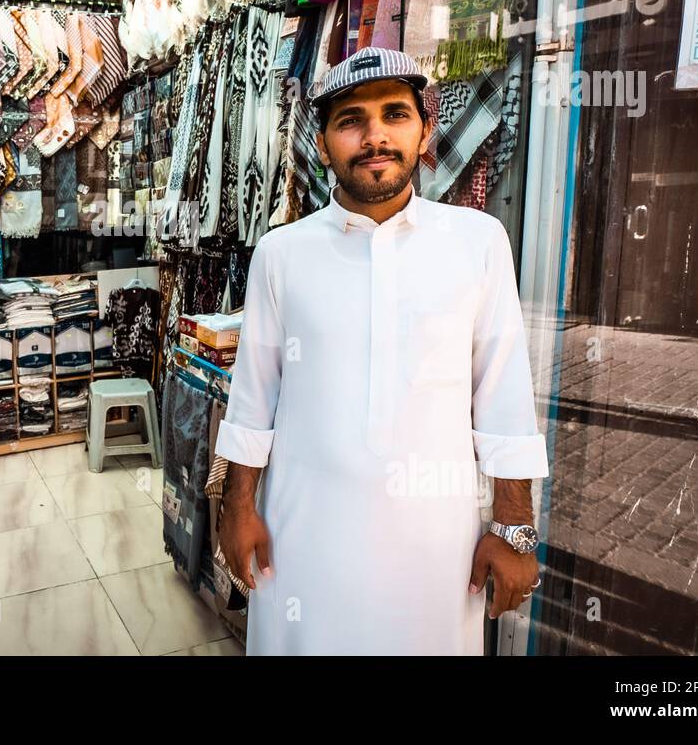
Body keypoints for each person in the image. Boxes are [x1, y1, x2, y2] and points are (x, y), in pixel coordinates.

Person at [215, 47, 550, 655]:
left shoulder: (476, 242)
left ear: (424, 131)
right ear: (322, 143)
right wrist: (235, 506)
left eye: (395, 114)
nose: (374, 137)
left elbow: (503, 396)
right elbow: (252, 398)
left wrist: (514, 528)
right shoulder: (280, 253)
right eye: (350, 120)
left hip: (437, 552)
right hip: (303, 543)